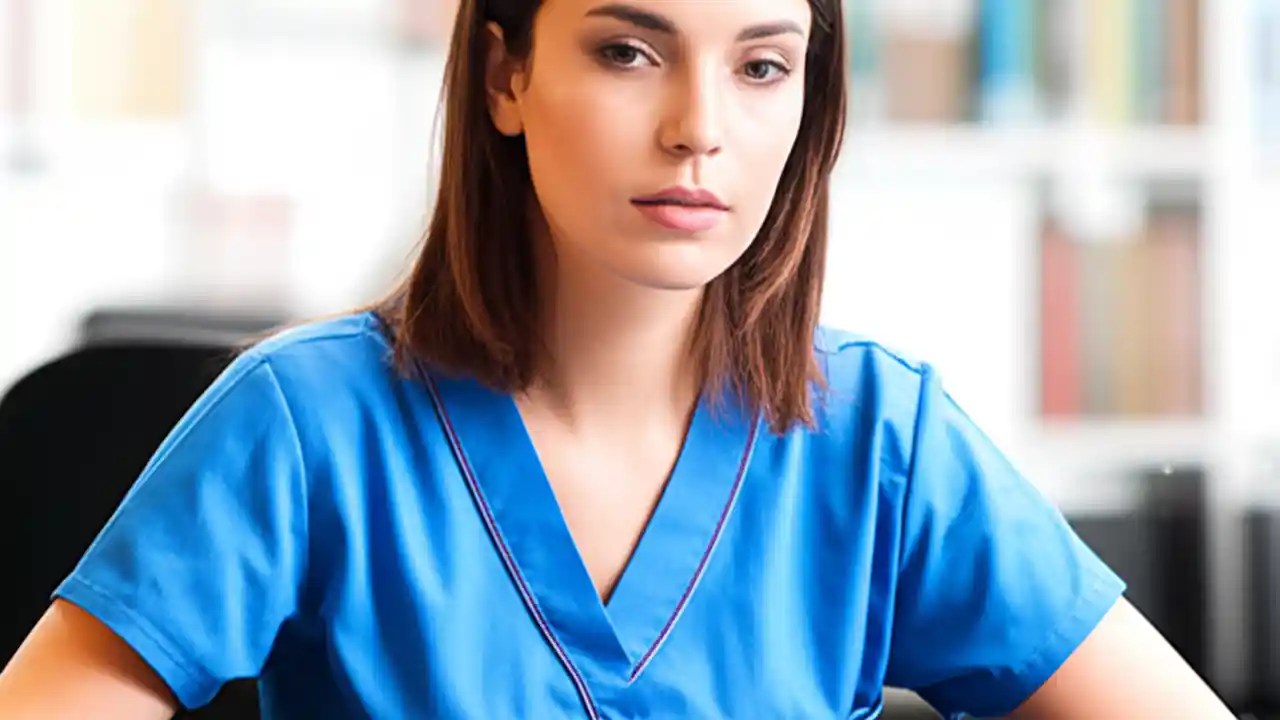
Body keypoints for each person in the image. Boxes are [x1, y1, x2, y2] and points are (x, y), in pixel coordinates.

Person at [0, 1, 1238, 718]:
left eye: (761, 66)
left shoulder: (880, 441)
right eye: (626, 50)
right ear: (505, 73)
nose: (699, 126)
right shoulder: (306, 425)